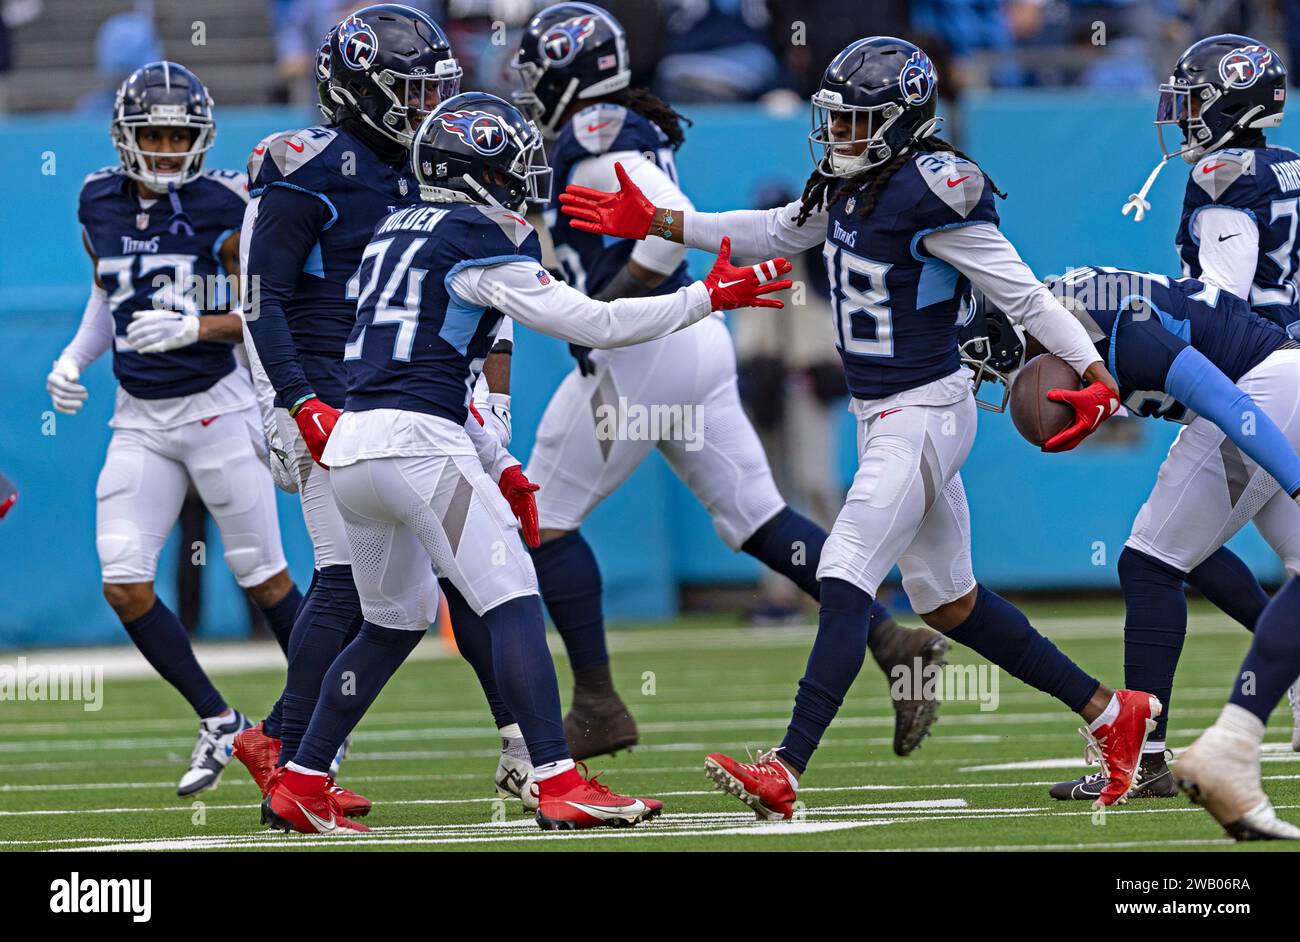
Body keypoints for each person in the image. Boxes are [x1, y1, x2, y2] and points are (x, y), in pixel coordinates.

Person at [559, 35, 1165, 817]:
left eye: (854, 122)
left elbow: (1024, 296)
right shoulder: (850, 187)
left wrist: (1093, 371)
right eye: (834, 120)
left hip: (926, 413)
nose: (838, 135)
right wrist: (670, 224)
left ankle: (786, 765)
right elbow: (775, 231)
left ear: (900, 120)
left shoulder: (933, 191)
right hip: (888, 414)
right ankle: (1115, 716)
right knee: (949, 603)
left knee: (844, 573)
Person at [260, 91, 793, 832]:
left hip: (354, 449)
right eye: (510, 167)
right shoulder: (476, 237)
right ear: (475, 171)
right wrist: (706, 295)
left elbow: (418, 368)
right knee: (511, 600)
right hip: (419, 449)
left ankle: (302, 777)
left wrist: (500, 463)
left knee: (392, 621)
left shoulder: (391, 230)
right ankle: (557, 777)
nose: (521, 180)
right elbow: (595, 321)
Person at [503, 3, 946, 765]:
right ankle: (889, 638)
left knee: (544, 522)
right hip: (692, 348)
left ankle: (600, 703)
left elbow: (667, 223)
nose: (529, 85)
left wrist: (608, 308)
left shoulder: (594, 131)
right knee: (758, 519)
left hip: (647, 351)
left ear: (569, 72)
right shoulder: (601, 129)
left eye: (537, 70)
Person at [234, 5, 468, 820]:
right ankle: (293, 754)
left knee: (372, 589)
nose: (423, 106)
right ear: (358, 88)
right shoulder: (301, 162)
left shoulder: (422, 165)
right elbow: (259, 296)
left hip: (370, 388)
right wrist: (297, 400)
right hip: (303, 381)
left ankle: (286, 744)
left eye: (433, 89)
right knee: (350, 582)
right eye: (409, 90)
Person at [46, 61, 303, 796]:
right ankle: (221, 721)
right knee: (124, 583)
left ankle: (317, 733)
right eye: (151, 135)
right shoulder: (97, 197)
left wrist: (196, 326)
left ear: (203, 136)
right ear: (126, 137)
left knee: (265, 577)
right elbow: (108, 294)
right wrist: (74, 355)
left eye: (177, 135)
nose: (164, 149)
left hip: (218, 407)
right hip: (138, 417)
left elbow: (266, 310)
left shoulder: (226, 201)